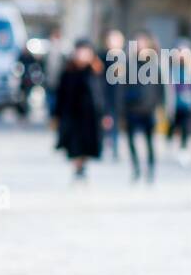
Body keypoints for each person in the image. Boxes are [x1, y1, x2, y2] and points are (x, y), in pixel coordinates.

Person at [55, 39, 107, 181]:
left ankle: (82, 165)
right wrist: (56, 114)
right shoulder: (68, 71)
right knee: (74, 144)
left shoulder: (96, 70)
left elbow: (102, 94)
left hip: (90, 115)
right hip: (72, 114)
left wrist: (105, 114)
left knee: (88, 143)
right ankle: (77, 167)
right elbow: (61, 94)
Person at [117, 31, 164, 183]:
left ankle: (151, 169)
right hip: (131, 109)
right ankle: (136, 168)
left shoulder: (154, 65)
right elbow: (122, 87)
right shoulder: (128, 64)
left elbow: (160, 88)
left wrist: (159, 107)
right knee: (131, 141)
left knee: (150, 141)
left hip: (148, 110)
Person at [167, 40, 191, 165]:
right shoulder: (172, 68)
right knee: (175, 125)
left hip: (188, 104)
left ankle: (184, 148)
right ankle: (170, 141)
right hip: (175, 104)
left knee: (186, 127)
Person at [100, 28, 125, 160]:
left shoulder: (124, 59)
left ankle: (114, 148)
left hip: (120, 97)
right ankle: (104, 146)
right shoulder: (102, 57)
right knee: (106, 121)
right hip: (105, 95)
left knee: (115, 123)